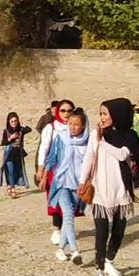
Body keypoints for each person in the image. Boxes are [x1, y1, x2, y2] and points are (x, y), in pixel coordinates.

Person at [81, 98, 139, 276]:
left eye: (105, 114)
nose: (102, 118)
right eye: (100, 114)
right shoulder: (96, 134)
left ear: (117, 115)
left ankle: (109, 260)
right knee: (101, 231)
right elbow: (88, 158)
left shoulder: (130, 135)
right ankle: (99, 272)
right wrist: (82, 181)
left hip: (121, 190)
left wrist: (103, 142)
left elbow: (122, 155)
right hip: (100, 189)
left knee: (119, 229)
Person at [46, 107, 91, 264]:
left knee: (68, 219)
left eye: (76, 124)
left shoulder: (88, 142)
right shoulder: (61, 139)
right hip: (61, 183)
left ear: (83, 126)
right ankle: (75, 250)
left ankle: (60, 250)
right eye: (70, 123)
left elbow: (90, 164)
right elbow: (52, 158)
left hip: (78, 185)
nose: (72, 127)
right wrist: (45, 174)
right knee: (68, 215)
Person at [37, 100, 80, 246]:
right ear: (57, 111)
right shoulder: (51, 128)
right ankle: (56, 229)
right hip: (54, 170)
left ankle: (68, 228)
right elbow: (44, 148)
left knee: (71, 201)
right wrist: (41, 169)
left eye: (69, 110)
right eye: (63, 111)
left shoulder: (76, 127)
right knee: (55, 200)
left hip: (72, 170)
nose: (66, 114)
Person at [0, 112, 32, 198]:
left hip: (18, 154)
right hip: (9, 153)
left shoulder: (20, 130)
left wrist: (21, 126)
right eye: (12, 121)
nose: (14, 123)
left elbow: (29, 129)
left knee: (17, 170)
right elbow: (3, 142)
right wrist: (10, 138)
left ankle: (10, 185)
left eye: (15, 121)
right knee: (11, 171)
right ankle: (12, 189)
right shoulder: (6, 131)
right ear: (9, 122)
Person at [33, 101, 58, 174]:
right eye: (54, 109)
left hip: (55, 141)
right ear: (51, 108)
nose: (54, 110)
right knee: (41, 154)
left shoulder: (58, 118)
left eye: (56, 109)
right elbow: (38, 127)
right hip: (45, 140)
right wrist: (45, 134)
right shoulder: (44, 117)